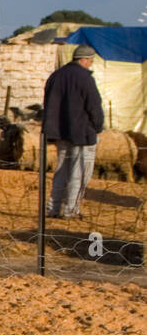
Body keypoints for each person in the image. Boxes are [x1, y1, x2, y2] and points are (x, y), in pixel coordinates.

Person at [43, 44, 104, 219]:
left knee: (61, 170)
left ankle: (53, 208)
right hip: (82, 133)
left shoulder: (56, 76)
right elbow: (94, 105)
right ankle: (71, 209)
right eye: (91, 61)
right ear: (84, 59)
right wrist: (97, 126)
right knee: (79, 172)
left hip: (61, 132)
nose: (91, 64)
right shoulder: (85, 78)